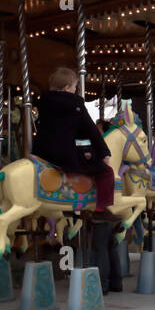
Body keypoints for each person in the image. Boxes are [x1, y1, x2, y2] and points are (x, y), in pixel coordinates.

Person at [31, 67, 115, 217]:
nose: (75, 91)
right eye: (75, 87)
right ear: (67, 88)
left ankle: (64, 203)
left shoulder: (43, 103)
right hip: (64, 154)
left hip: (42, 151)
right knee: (106, 172)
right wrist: (104, 153)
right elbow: (91, 130)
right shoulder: (75, 104)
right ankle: (101, 209)